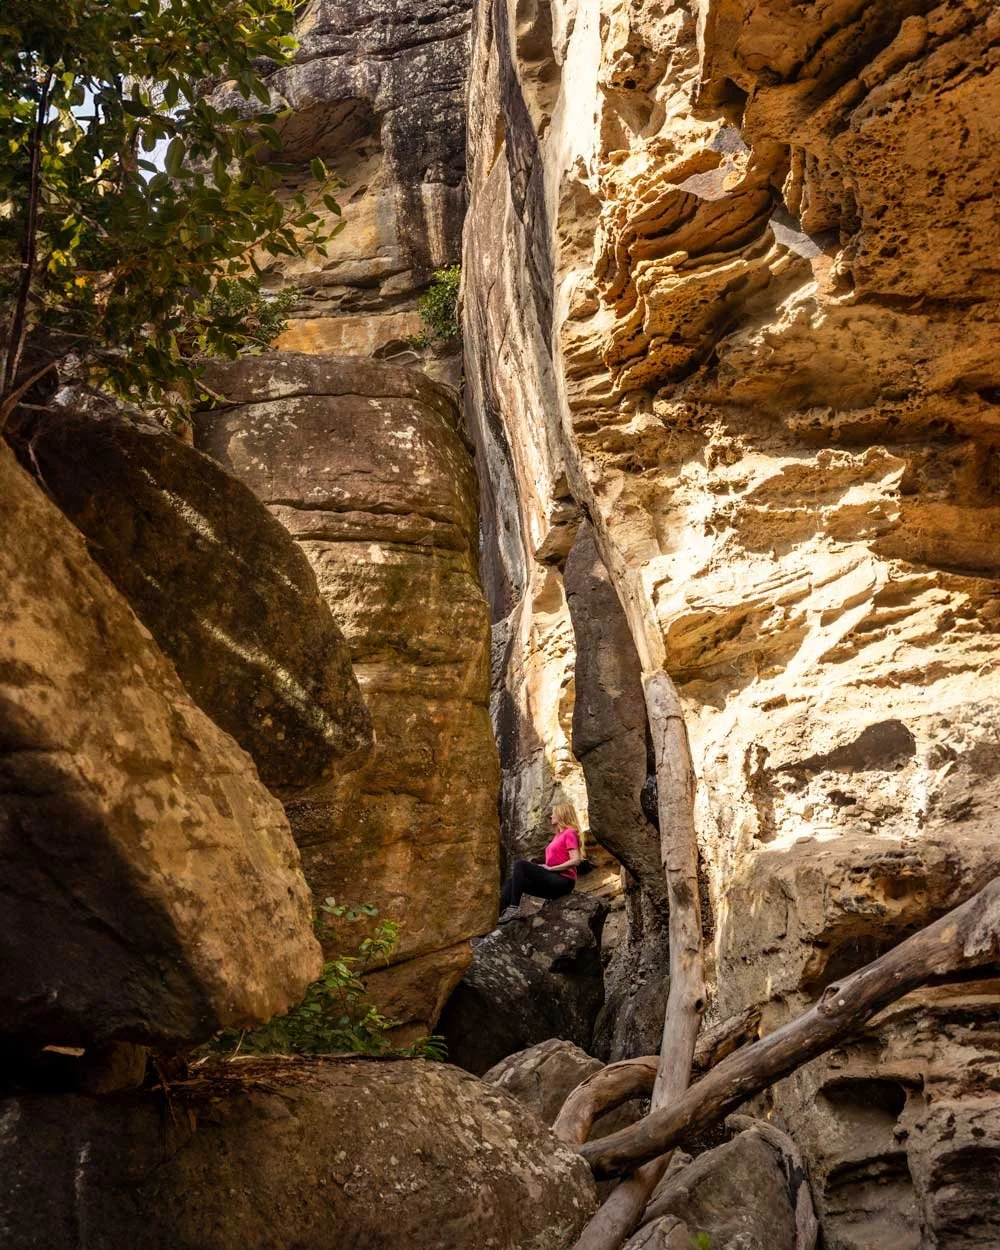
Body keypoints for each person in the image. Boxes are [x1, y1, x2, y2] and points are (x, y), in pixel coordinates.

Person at [498, 802, 585, 914]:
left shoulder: (570, 833)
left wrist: (550, 869)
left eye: (554, 814)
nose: (551, 816)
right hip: (553, 878)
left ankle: (513, 909)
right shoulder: (558, 835)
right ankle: (498, 916)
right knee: (513, 881)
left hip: (563, 881)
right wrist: (546, 867)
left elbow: (576, 860)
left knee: (520, 865)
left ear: (562, 815)